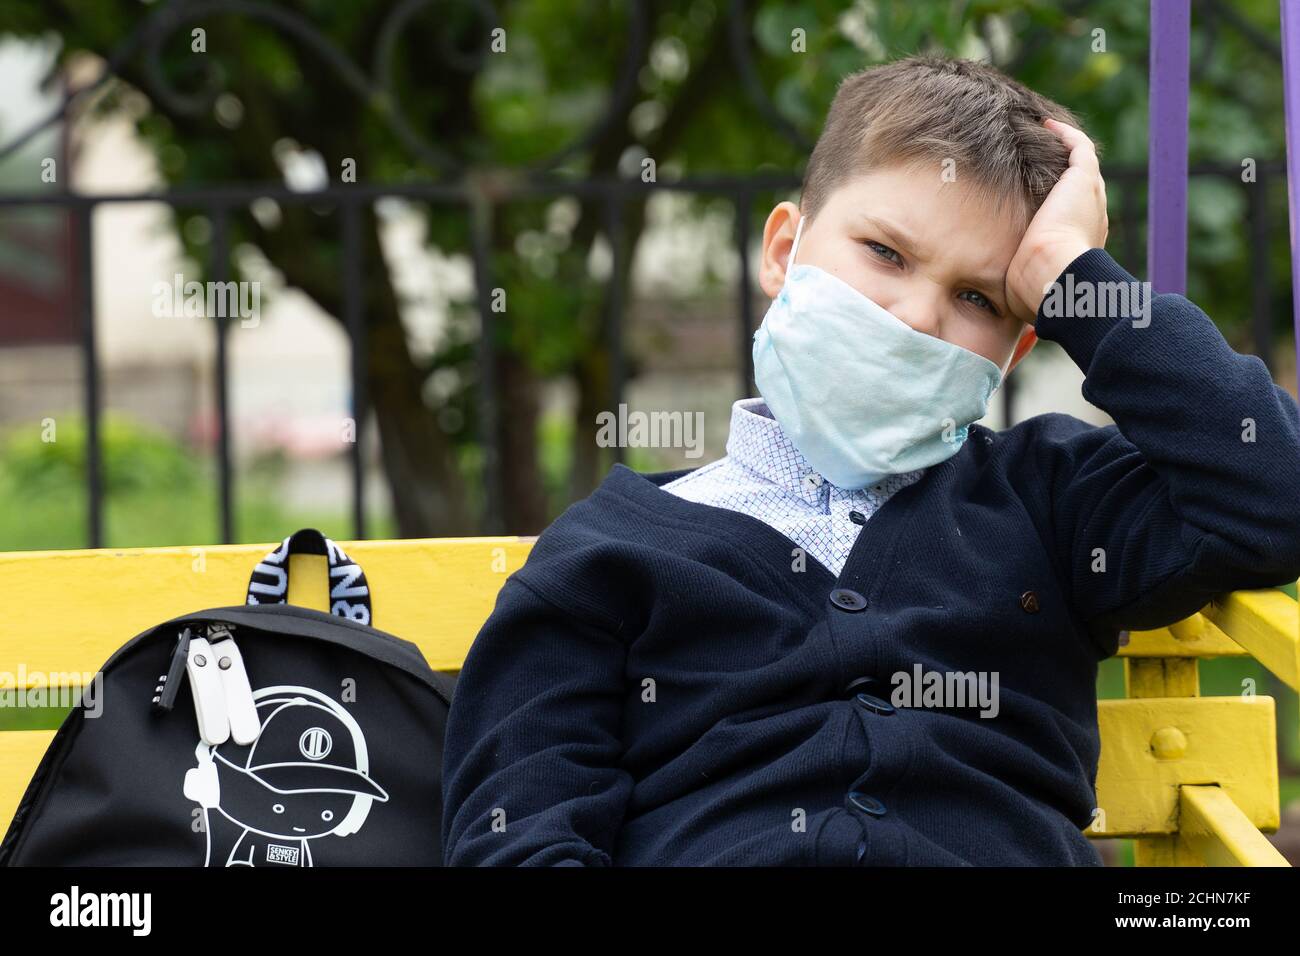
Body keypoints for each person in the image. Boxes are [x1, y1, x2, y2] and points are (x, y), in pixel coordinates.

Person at [440, 55, 1300, 866]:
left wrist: (1075, 278)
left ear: (1018, 344)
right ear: (783, 251)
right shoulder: (606, 552)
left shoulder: (1052, 501)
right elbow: (520, 829)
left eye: (979, 298)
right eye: (885, 253)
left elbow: (1276, 493)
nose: (917, 315)